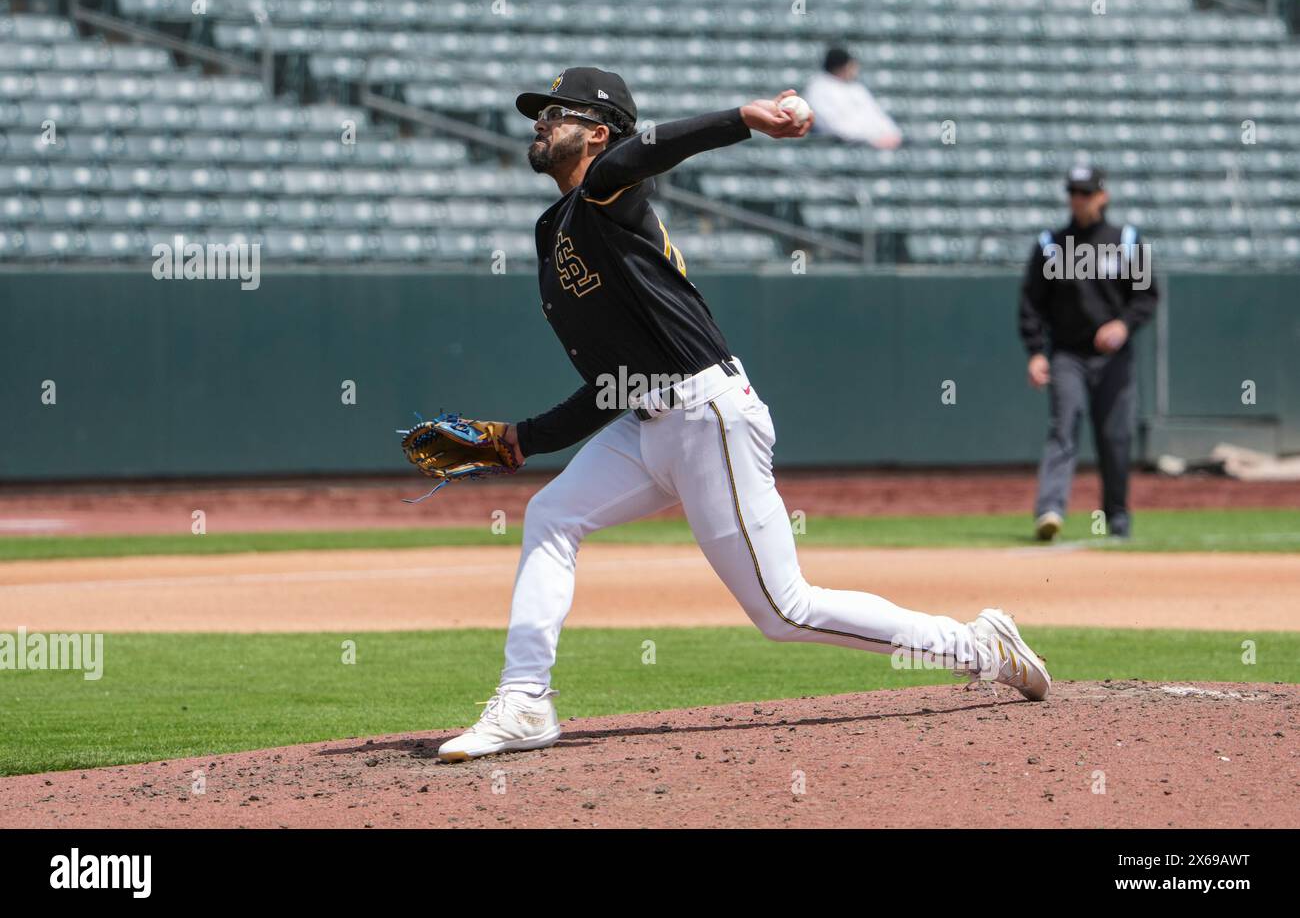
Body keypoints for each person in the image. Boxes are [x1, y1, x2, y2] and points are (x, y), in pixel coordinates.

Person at [436, 67, 1050, 763]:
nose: (540, 122)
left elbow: (643, 154)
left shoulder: (611, 188)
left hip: (707, 417)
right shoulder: (556, 228)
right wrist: (521, 441)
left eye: (557, 113)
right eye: (537, 114)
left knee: (784, 611)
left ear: (599, 132)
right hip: (646, 423)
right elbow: (610, 378)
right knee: (551, 517)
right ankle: (524, 702)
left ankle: (977, 644)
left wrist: (745, 118)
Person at [1019, 165, 1159, 542]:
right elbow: (1032, 304)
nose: (1078, 200)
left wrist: (1124, 324)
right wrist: (1036, 352)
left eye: (1085, 192)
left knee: (1115, 435)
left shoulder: (1126, 240)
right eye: (1073, 193)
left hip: (1115, 359)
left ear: (1102, 195)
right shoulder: (1051, 244)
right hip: (1068, 355)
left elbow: (1146, 296)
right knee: (1063, 426)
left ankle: (1117, 516)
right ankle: (1049, 511)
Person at [802, 46, 902, 148]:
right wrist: (870, 138)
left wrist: (892, 134)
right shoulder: (818, 89)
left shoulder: (856, 88)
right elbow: (830, 124)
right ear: (842, 66)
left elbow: (876, 114)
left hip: (872, 143)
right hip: (840, 145)